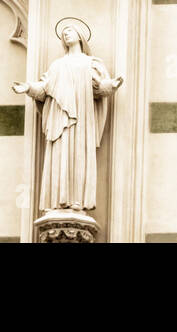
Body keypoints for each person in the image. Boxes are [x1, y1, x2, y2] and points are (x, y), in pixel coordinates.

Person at [13, 20, 123, 213]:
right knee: (59, 155)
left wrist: (111, 85)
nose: (66, 35)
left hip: (82, 119)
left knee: (79, 156)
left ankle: (77, 200)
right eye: (64, 33)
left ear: (80, 35)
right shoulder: (57, 66)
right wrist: (28, 88)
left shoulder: (91, 63)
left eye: (70, 31)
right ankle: (57, 200)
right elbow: (44, 89)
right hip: (59, 120)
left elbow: (98, 88)